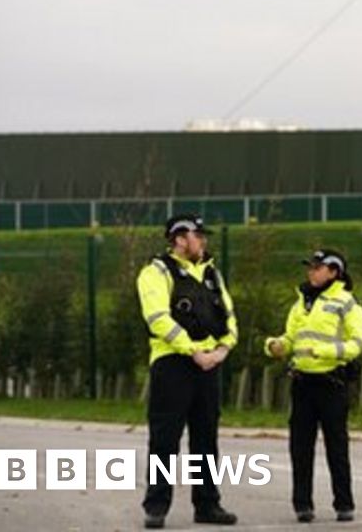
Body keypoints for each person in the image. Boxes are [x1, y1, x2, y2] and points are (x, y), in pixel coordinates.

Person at [138, 213, 238, 529]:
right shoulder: (155, 272)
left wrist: (222, 349)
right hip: (173, 364)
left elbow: (230, 318)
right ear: (179, 238)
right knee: (165, 439)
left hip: (209, 363)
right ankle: (157, 506)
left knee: (205, 439)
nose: (203, 240)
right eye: (198, 235)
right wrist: (193, 350)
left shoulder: (212, 274)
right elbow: (157, 319)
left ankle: (207, 504)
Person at [265, 249, 362, 523]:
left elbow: (360, 342)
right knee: (300, 447)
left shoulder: (346, 302)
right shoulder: (300, 303)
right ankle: (302, 504)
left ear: (334, 272)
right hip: (302, 383)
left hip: (331, 382)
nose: (311, 271)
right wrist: (277, 345)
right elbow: (292, 338)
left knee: (336, 446)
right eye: (310, 266)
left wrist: (325, 351)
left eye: (317, 267)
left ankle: (344, 504)